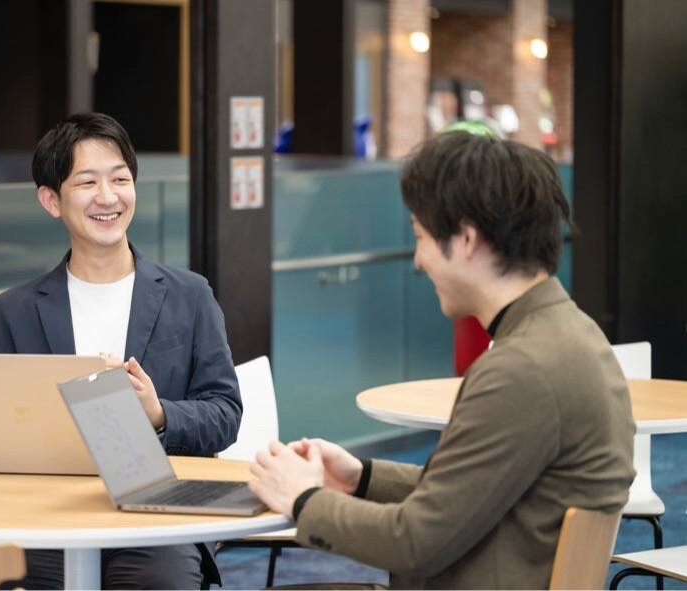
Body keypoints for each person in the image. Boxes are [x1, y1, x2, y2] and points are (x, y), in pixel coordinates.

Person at [248, 131, 635, 589]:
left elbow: (414, 543)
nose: (417, 260)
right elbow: (470, 494)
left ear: (467, 239)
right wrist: (362, 478)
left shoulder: (521, 370)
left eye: (421, 236)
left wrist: (303, 498)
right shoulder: (570, 336)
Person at [0, 112, 241, 589]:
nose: (108, 197)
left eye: (120, 179)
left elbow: (225, 415)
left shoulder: (190, 295)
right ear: (51, 200)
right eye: (87, 182)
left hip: (159, 512)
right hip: (50, 514)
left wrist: (158, 413)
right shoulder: (15, 310)